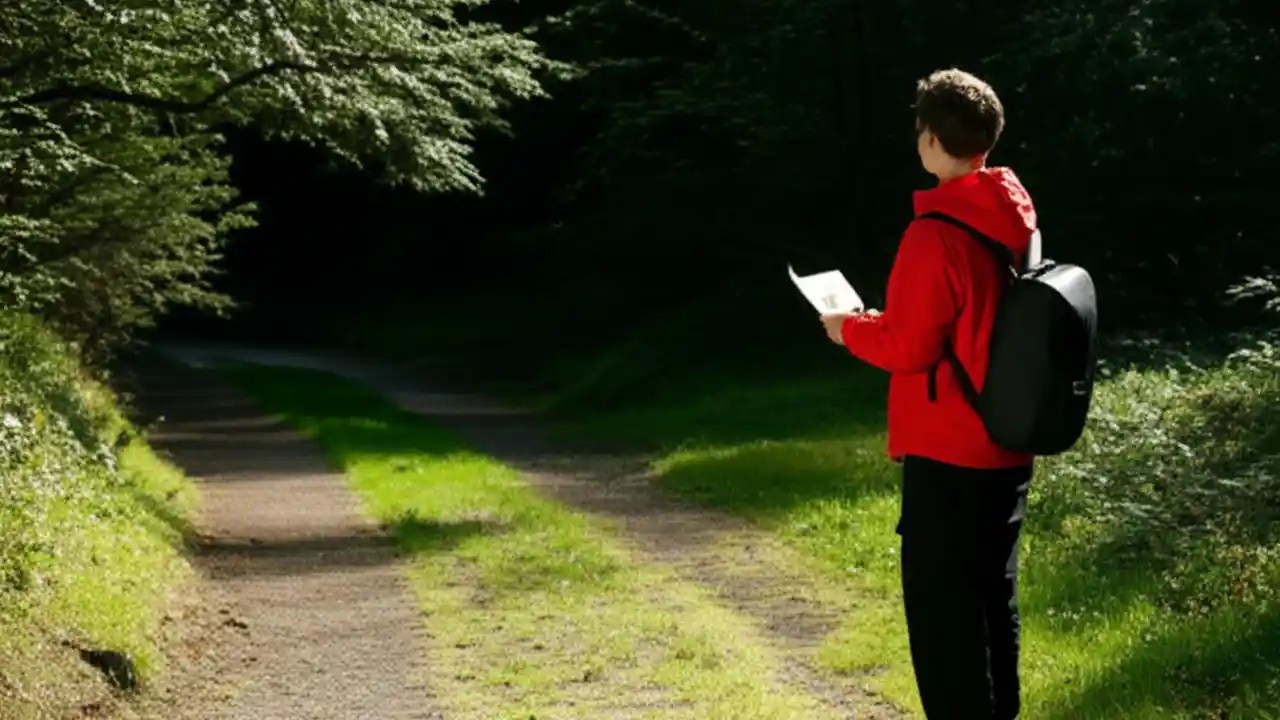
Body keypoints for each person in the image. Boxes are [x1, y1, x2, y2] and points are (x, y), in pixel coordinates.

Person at [819, 68, 1037, 719]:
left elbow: (911, 350)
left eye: (920, 127)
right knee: (993, 600)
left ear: (935, 141)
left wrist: (848, 330)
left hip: (948, 450)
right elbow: (962, 322)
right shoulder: (1013, 216)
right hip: (1008, 437)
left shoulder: (935, 231)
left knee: (945, 621)